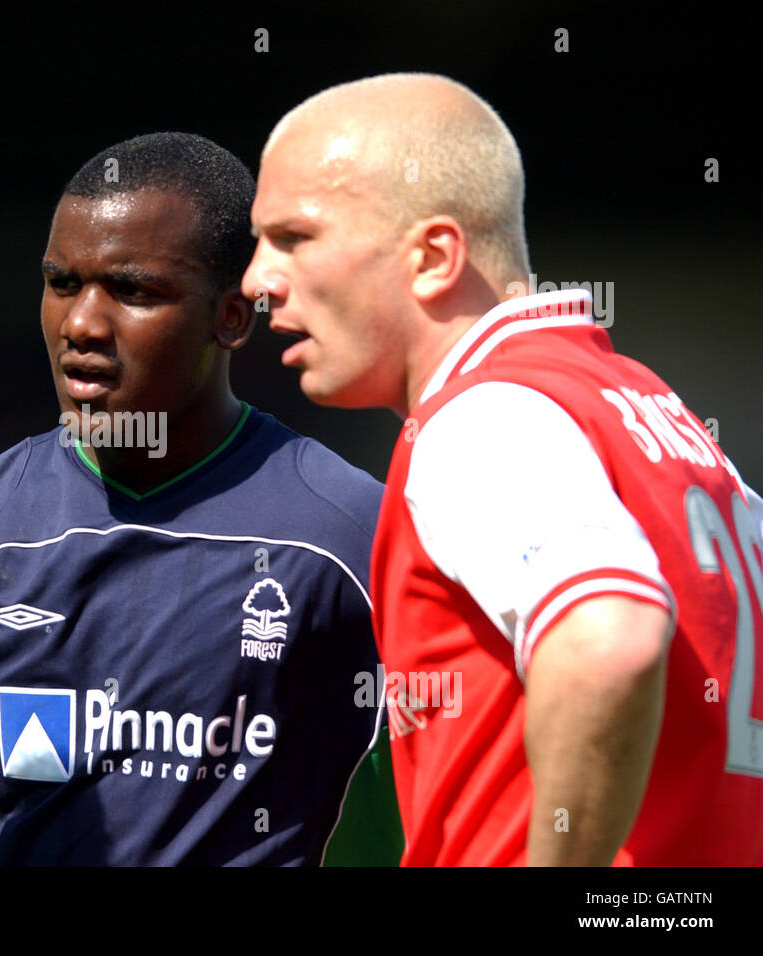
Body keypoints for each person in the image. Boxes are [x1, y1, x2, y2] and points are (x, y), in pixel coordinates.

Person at [0, 132, 401, 866]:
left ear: (233, 316)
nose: (81, 323)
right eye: (61, 282)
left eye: (133, 289)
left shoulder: (351, 539)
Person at [244, 72, 763, 865]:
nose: (256, 280)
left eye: (294, 237)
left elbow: (608, 641)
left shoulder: (485, 421)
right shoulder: (659, 418)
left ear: (432, 257)